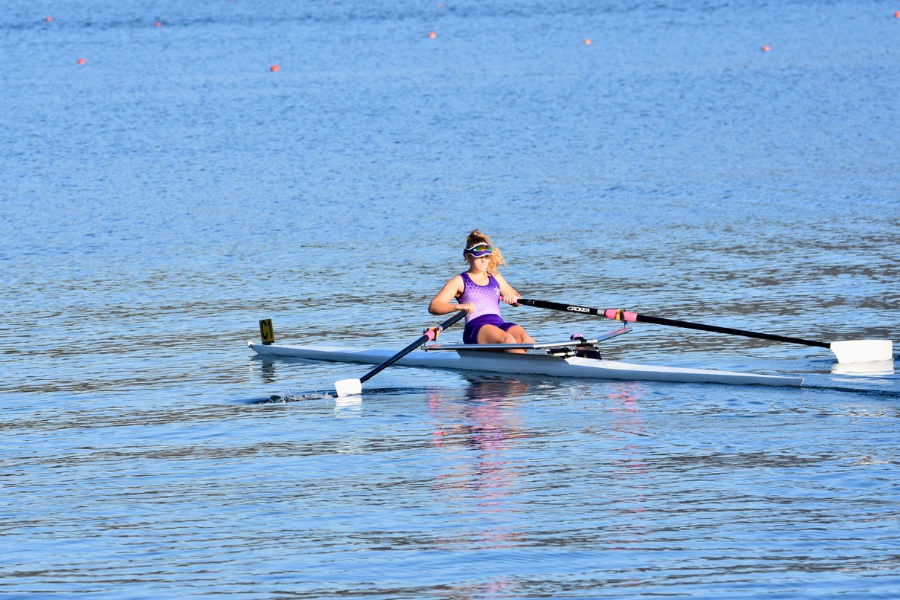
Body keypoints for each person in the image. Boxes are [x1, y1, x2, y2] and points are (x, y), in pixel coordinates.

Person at [429, 230, 535, 353]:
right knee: (507, 339)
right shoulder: (460, 281)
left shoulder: (495, 276)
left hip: (498, 324)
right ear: (468, 257)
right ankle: (528, 366)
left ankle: (544, 362)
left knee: (525, 339)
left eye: (486, 257)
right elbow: (434, 306)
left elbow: (518, 300)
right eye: (479, 257)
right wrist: (460, 306)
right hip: (475, 329)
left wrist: (513, 298)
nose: (484, 261)